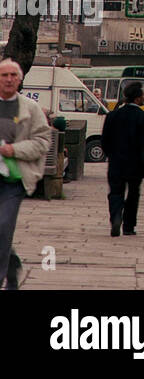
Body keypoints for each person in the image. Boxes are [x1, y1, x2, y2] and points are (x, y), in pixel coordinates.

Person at [0, 59, 52, 290]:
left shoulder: (30, 109)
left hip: (14, 180)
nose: (9, 79)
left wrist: (14, 150)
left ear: (20, 80)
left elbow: (42, 142)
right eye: (4, 75)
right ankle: (11, 264)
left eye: (13, 75)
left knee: (3, 225)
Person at [101, 80, 144, 237]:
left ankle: (116, 217)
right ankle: (129, 226)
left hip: (116, 162)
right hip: (135, 165)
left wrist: (111, 155)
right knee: (133, 194)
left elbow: (105, 141)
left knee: (115, 192)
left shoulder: (112, 116)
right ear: (137, 99)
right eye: (142, 96)